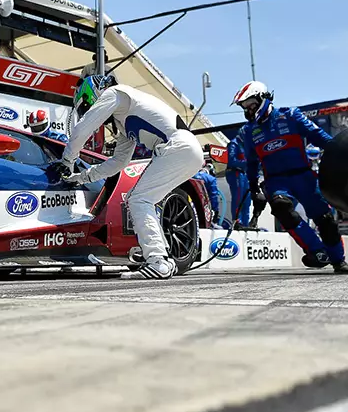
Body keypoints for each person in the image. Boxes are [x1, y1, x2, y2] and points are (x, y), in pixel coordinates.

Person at [53, 75, 204, 279]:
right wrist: (82, 177)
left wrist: (67, 161)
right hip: (186, 150)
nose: (89, 111)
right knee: (144, 199)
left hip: (177, 147)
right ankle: (162, 256)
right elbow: (118, 163)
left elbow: (84, 127)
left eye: (89, 106)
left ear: (93, 95)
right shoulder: (125, 120)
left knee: (139, 199)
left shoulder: (115, 93)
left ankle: (157, 261)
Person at [232, 81, 348, 274]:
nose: (248, 109)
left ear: (263, 98)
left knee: (325, 218)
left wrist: (343, 151)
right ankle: (317, 251)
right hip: (276, 181)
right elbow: (252, 163)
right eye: (244, 107)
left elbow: (319, 136)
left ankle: (338, 260)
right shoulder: (248, 131)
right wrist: (254, 189)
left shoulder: (291, 115)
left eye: (251, 104)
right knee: (281, 208)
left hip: (304, 175)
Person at [225, 132, 252, 226]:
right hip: (235, 172)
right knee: (238, 197)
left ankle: (245, 223)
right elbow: (232, 160)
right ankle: (237, 221)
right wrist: (247, 162)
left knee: (247, 199)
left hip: (244, 174)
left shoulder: (246, 145)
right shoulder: (234, 143)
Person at [195, 162, 227, 228]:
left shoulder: (192, 175)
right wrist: (215, 210)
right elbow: (213, 196)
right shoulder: (211, 179)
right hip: (204, 207)